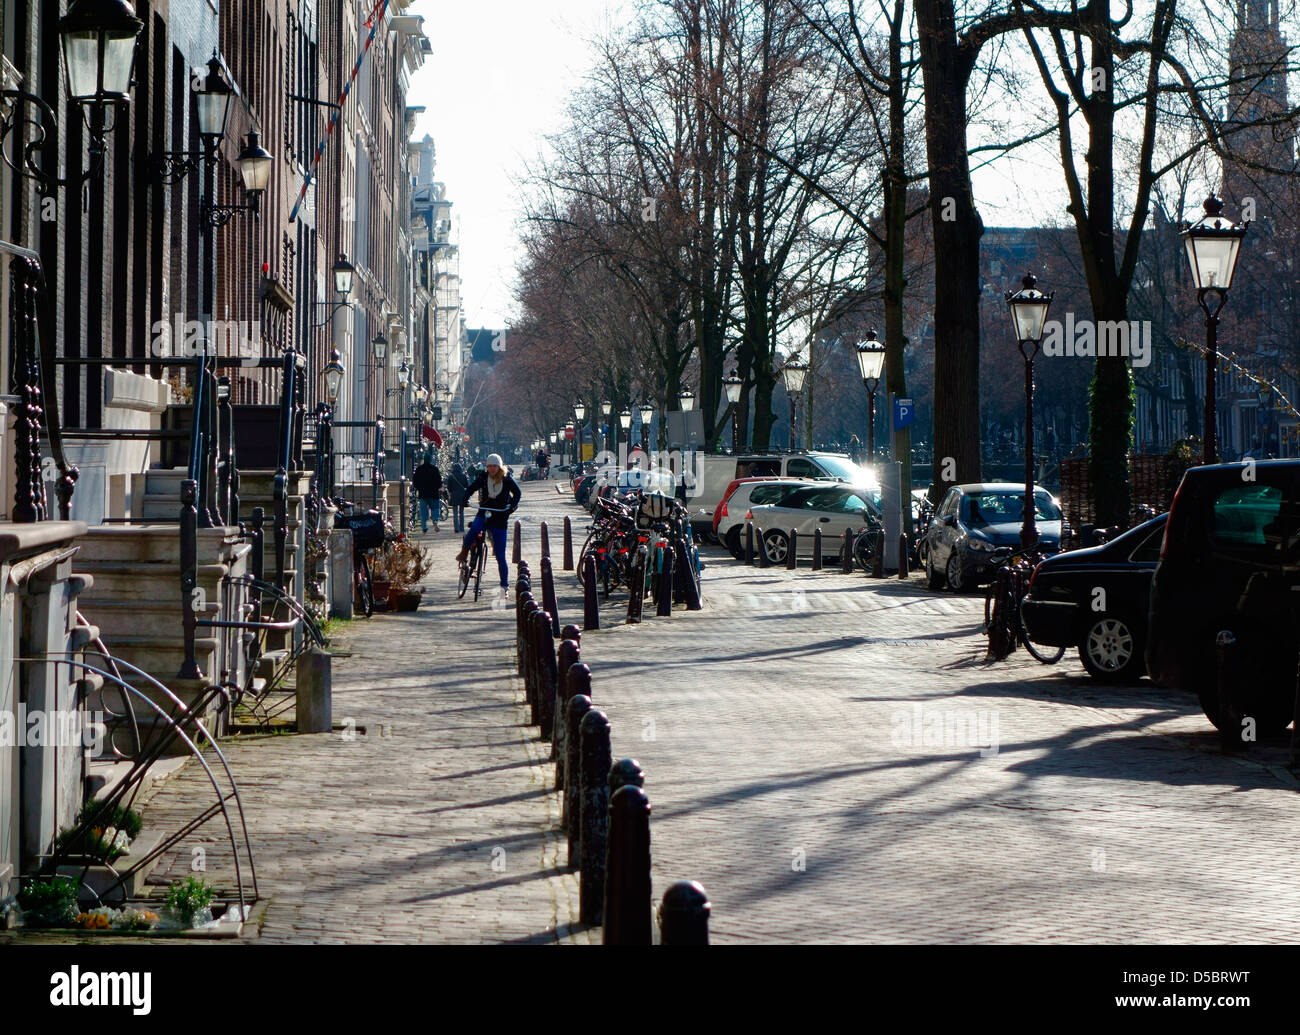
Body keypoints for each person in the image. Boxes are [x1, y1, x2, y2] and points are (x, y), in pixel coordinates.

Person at [455, 454, 521, 593]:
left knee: (500, 555)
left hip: (500, 516)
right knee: (474, 529)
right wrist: (465, 499)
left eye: (494, 466)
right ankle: (464, 552)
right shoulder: (484, 478)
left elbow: (517, 493)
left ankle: (504, 585)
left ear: (499, 466)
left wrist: (511, 507)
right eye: (489, 466)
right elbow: (471, 488)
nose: (492, 469)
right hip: (484, 512)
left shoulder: (507, 479)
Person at [411, 454, 442, 533]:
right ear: (430, 459)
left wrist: (419, 488)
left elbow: (415, 481)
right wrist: (437, 487)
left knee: (423, 511)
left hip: (423, 493)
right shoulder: (435, 469)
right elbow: (439, 481)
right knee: (435, 508)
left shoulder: (419, 469)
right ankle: (435, 520)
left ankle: (424, 526)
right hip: (433, 493)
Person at [447, 461, 470, 533]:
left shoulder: (451, 476)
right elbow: (467, 486)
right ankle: (462, 528)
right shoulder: (463, 476)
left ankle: (456, 528)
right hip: (462, 496)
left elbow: (449, 487)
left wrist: (451, 492)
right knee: (461, 513)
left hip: (454, 496)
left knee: (455, 513)